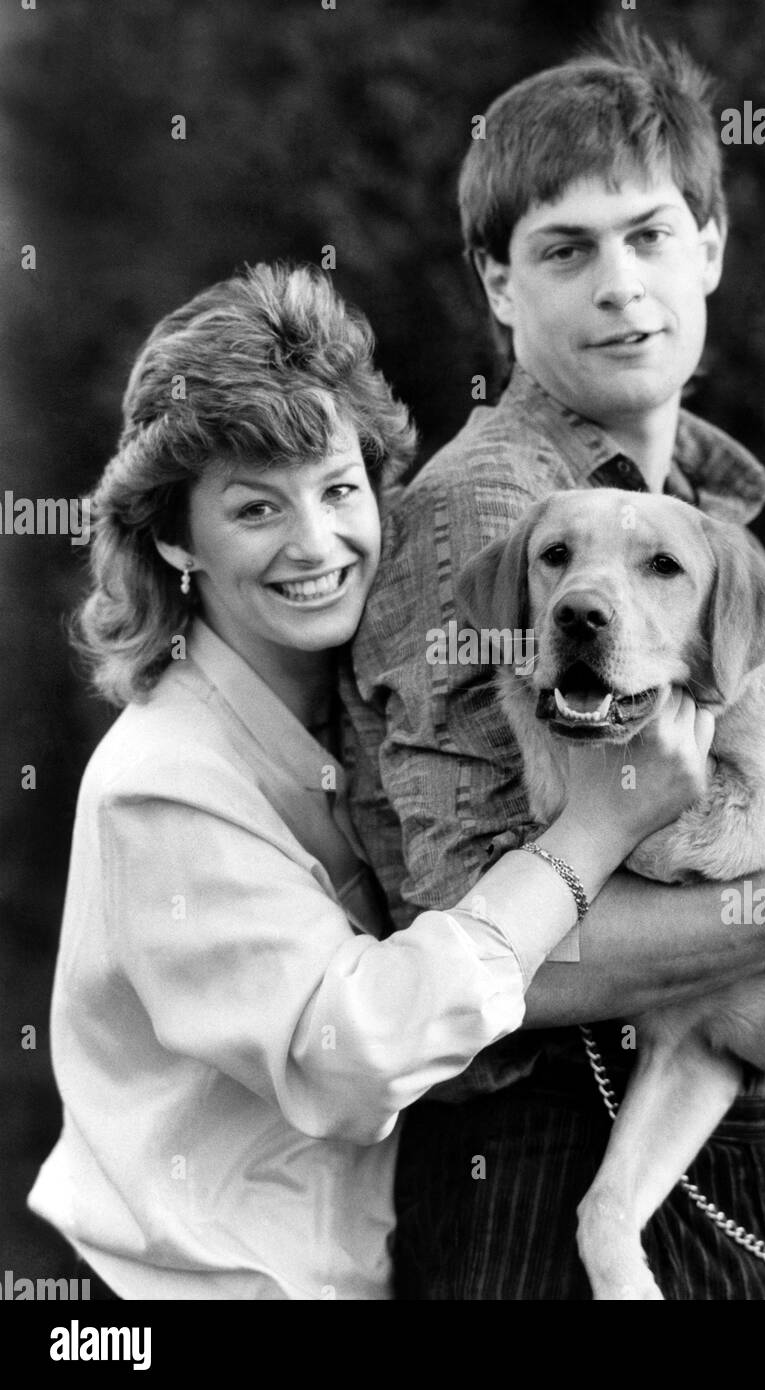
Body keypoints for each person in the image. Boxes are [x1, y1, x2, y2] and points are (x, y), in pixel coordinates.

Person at [343, 30, 765, 1299]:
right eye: (565, 249)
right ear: (495, 284)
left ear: (710, 247)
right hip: (542, 1161)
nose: (621, 286)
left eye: (651, 235)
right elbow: (475, 945)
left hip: (705, 1128)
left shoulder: (698, 517)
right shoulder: (486, 514)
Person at [27, 262, 724, 1300]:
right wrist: (591, 831)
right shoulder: (161, 782)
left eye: (339, 489)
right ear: (174, 536)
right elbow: (358, 1044)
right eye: (257, 508)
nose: (317, 544)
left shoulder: (355, 712)